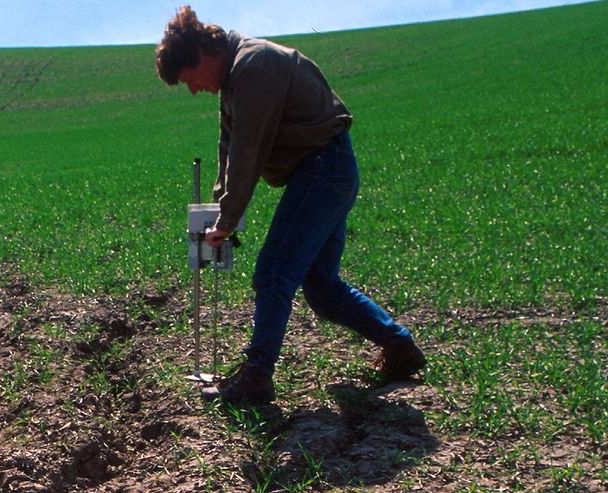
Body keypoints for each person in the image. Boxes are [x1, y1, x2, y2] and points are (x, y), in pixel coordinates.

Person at [156, 6, 425, 404]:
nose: (194, 90)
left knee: (274, 271)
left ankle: (257, 375)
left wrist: (228, 221)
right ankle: (401, 346)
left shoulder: (254, 66)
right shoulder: (234, 79)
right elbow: (228, 152)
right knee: (321, 287)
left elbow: (249, 150)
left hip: (323, 168)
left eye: (190, 80)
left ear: (201, 54)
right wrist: (217, 211)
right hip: (322, 171)